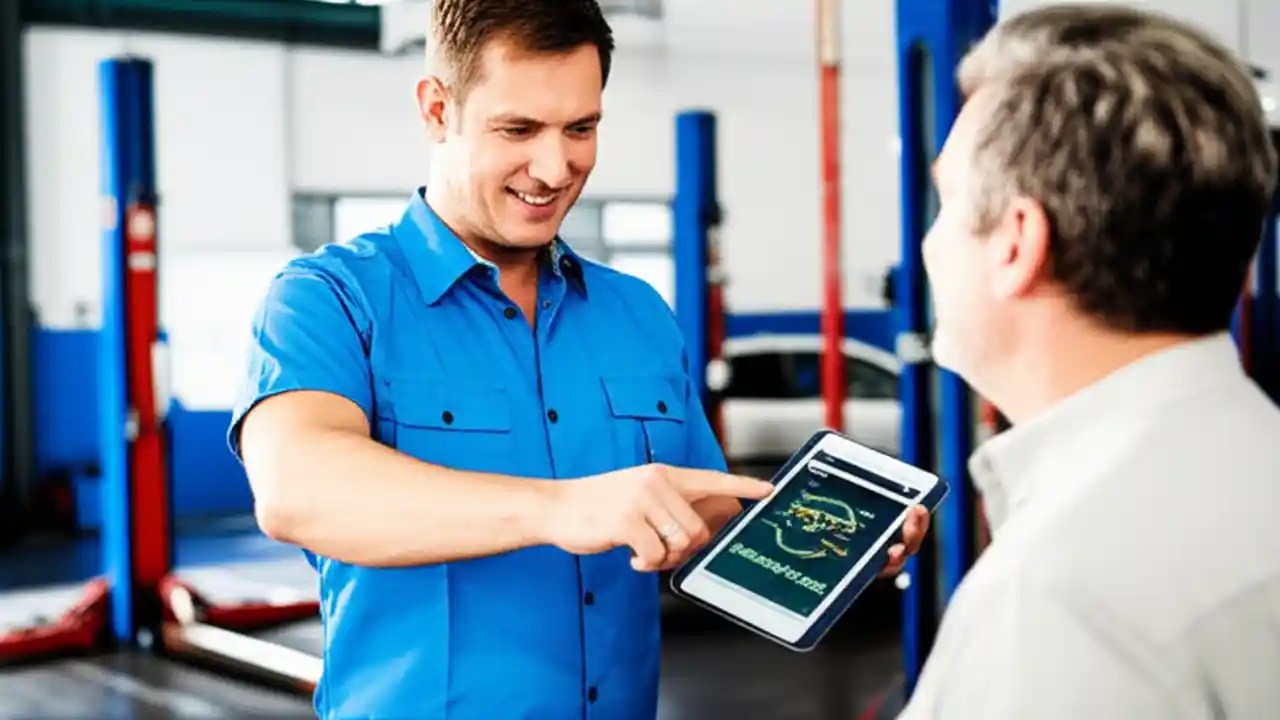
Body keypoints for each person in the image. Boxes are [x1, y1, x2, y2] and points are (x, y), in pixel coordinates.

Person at [228, 1, 929, 718]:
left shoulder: (638, 315)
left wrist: (832, 540)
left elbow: (702, 511)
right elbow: (297, 491)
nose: (555, 167)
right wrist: (560, 508)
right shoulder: (331, 300)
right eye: (519, 129)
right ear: (438, 110)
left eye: (581, 128)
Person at [899, 4, 1280, 719]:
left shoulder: (1056, 598)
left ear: (1017, 243)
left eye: (945, 201)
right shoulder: (1259, 456)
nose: (929, 244)